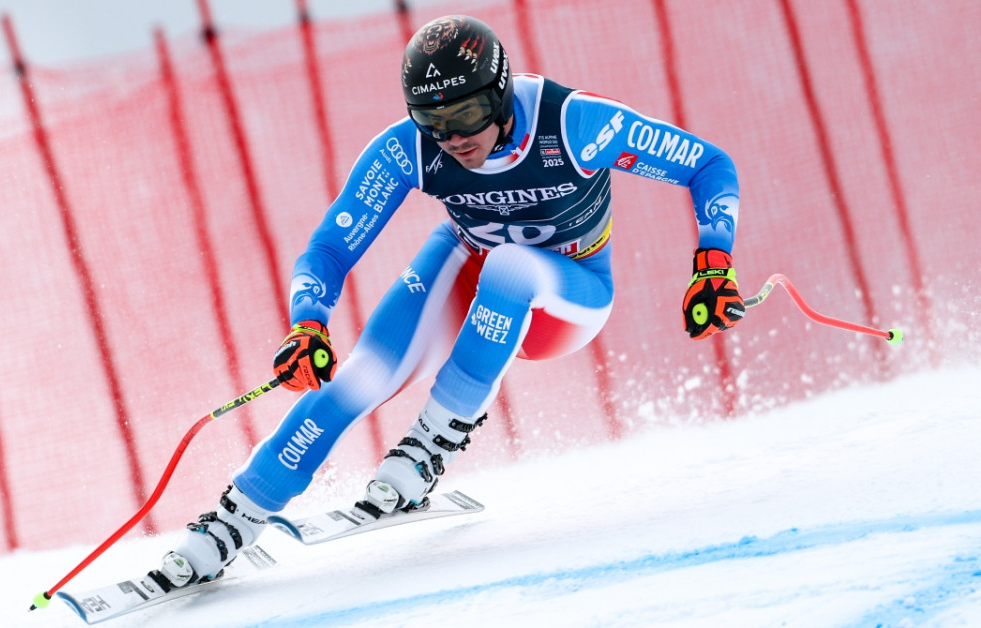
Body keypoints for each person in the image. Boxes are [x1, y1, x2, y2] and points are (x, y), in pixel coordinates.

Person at [152, 14, 744, 589]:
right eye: (432, 120)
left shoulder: (577, 123)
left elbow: (709, 164)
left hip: (569, 296)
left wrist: (713, 262)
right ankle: (233, 520)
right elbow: (330, 247)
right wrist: (308, 325)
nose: (454, 138)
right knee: (360, 375)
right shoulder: (409, 149)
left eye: (465, 113)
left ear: (501, 92)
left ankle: (433, 439)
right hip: (470, 263)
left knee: (511, 262)